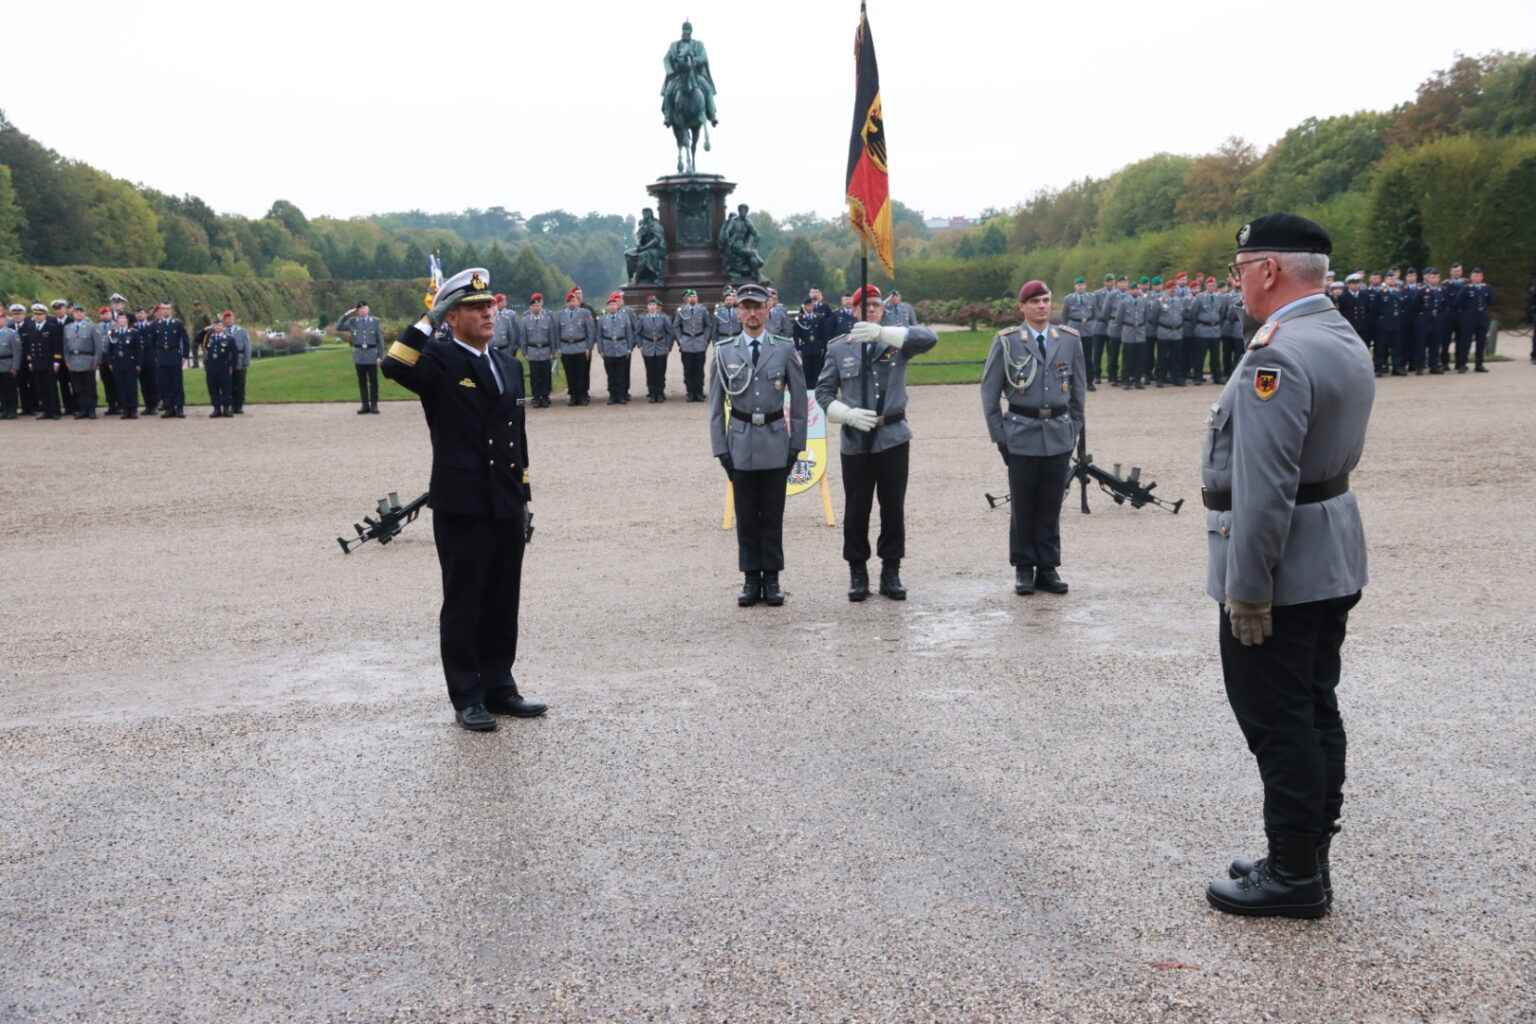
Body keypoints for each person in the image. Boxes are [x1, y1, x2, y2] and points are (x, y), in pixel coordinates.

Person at [1201, 213, 1374, 919]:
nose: (1237, 281)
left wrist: (1247, 590)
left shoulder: (1276, 352)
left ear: (1269, 270)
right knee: (1313, 708)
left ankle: (1295, 874)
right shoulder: (1335, 332)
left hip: (1282, 568)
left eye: (1240, 268)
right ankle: (1306, 854)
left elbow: (1264, 489)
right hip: (1327, 553)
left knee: (1280, 722)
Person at [380, 267, 545, 733]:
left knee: (502, 598)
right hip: (463, 501)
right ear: (453, 317)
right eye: (476, 308)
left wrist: (525, 496)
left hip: (505, 500)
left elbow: (517, 435)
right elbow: (394, 364)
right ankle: (467, 695)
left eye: (490, 306)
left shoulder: (507, 363)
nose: (488, 313)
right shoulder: (438, 360)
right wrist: (425, 320)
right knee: (464, 600)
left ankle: (500, 685)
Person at [816, 285, 937, 601]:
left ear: (883, 311)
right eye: (864, 306)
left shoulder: (895, 342)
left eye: (876, 306)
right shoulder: (840, 348)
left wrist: (884, 333)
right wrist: (847, 414)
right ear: (853, 311)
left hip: (893, 437)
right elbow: (823, 393)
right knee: (857, 509)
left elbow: (929, 339)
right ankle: (857, 571)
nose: (870, 310)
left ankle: (891, 569)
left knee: (893, 506)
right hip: (856, 438)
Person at [981, 280, 1086, 596]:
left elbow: (1079, 390)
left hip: (1057, 432)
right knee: (1024, 503)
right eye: (1036, 301)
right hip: (1021, 431)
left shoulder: (1068, 340)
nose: (1042, 306)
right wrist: (1000, 436)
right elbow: (990, 393)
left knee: (1051, 503)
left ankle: (1048, 567)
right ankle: (1024, 567)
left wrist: (1073, 428)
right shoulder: (1008, 341)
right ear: (1022, 307)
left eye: (1046, 300)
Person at [708, 281, 807, 608]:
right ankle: (751, 578)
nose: (752, 313)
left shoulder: (783, 349)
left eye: (757, 307)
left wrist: (798, 444)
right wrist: (721, 448)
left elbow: (801, 401)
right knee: (747, 514)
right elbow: (714, 407)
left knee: (773, 515)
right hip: (741, 441)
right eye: (746, 307)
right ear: (737, 311)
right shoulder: (724, 351)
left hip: (776, 441)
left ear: (768, 310)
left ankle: (773, 577)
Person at [337, 302, 385, 413]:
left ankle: (374, 405)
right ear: (357, 311)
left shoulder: (375, 322)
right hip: (359, 355)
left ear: (368, 310)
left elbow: (380, 341)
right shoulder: (353, 322)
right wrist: (346, 314)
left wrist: (380, 356)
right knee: (362, 382)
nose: (363, 310)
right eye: (360, 309)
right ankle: (364, 405)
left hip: (372, 354)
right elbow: (338, 327)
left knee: (373, 382)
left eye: (365, 308)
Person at [147, 302, 190, 418]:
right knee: (164, 383)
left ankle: (179, 407)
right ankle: (169, 407)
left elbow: (185, 341)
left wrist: (184, 355)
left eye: (167, 309)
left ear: (171, 310)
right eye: (163, 309)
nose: (165, 311)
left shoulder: (178, 323)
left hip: (174, 354)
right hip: (161, 354)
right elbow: (151, 342)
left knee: (176, 383)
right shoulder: (156, 324)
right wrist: (154, 355)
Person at [21, 304, 62, 420]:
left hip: (49, 362)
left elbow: (57, 346)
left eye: (40, 314)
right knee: (41, 388)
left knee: (51, 387)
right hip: (36, 361)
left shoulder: (51, 327)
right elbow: (28, 346)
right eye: (36, 314)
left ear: (45, 315)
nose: (38, 317)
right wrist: (30, 361)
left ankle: (55, 411)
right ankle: (46, 411)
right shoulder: (31, 328)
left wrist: (57, 361)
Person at [557, 287, 596, 406]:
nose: (572, 303)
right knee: (570, 373)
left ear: (577, 302)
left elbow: (590, 331)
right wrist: (559, 347)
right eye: (570, 301)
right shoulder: (561, 314)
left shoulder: (585, 313)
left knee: (581, 372)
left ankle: (582, 395)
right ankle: (573, 395)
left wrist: (589, 348)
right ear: (567, 303)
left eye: (574, 301)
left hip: (580, 346)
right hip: (566, 347)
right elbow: (557, 332)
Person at [63, 305, 104, 419]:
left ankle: (91, 409)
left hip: (88, 360)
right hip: (73, 360)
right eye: (76, 312)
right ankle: (82, 409)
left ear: (84, 314)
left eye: (81, 312)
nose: (79, 314)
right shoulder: (68, 328)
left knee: (89, 387)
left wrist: (96, 361)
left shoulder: (92, 327)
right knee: (78, 388)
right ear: (73, 314)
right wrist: (67, 360)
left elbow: (98, 346)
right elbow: (65, 346)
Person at [596, 295, 637, 404]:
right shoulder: (602, 319)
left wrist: (629, 349)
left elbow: (629, 334)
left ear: (617, 306)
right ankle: (612, 395)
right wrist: (600, 350)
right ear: (607, 307)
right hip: (608, 349)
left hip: (621, 348)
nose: (612, 306)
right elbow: (599, 336)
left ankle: (621, 395)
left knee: (621, 374)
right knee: (611, 374)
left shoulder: (624, 317)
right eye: (610, 305)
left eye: (614, 304)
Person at [519, 293, 557, 407]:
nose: (535, 308)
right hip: (532, 351)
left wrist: (552, 352)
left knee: (546, 375)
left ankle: (545, 397)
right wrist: (524, 352)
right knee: (535, 376)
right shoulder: (525, 320)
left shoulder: (547, 319)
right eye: (533, 306)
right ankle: (536, 397)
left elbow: (552, 336)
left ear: (540, 306)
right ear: (530, 307)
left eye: (537, 306)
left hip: (545, 350)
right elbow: (523, 338)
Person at [674, 289, 713, 402]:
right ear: (687, 299)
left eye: (694, 296)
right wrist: (680, 339)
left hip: (699, 341)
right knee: (688, 369)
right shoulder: (681, 310)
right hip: (686, 341)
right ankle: (690, 392)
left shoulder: (702, 309)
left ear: (697, 298)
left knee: (699, 369)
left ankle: (699, 392)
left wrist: (706, 339)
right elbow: (676, 326)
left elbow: (708, 325)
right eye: (690, 297)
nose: (692, 298)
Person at [1112, 279, 1150, 390]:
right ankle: (1126, 379)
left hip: (1140, 331)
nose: (1135, 291)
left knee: (1140, 357)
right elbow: (1119, 318)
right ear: (1129, 291)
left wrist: (1142, 327)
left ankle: (1137, 379)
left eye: (1136, 289)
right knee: (1128, 357)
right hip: (1128, 330)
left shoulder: (1143, 301)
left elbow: (1146, 316)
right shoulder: (1124, 302)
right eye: (1133, 289)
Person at [1409, 268, 1448, 375]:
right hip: (1424, 319)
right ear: (1428, 278)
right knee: (1421, 344)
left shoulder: (1442, 290)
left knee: (1435, 344)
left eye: (1437, 277)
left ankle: (1434, 366)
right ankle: (1419, 366)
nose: (1435, 279)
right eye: (1432, 277)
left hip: (1437, 319)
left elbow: (1445, 305)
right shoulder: (1422, 290)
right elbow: (1414, 306)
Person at [1454, 267, 1494, 373]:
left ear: (1482, 277)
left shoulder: (1486, 287)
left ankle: (1479, 364)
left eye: (1480, 276)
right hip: (1469, 317)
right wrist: (1468, 309)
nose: (1478, 278)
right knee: (1465, 341)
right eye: (1475, 276)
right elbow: (1458, 302)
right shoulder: (1466, 288)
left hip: (1482, 316)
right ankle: (1462, 364)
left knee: (1481, 341)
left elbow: (1490, 301)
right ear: (1471, 277)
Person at [637, 296, 676, 402]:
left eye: (654, 305)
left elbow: (670, 332)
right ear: (647, 307)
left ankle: (660, 393)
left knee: (660, 371)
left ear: (657, 306)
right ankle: (652, 393)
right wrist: (640, 345)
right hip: (648, 346)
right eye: (650, 305)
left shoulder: (663, 318)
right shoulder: (642, 318)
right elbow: (637, 332)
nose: (652, 307)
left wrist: (668, 345)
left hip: (660, 346)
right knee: (650, 372)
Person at [105, 314, 142, 418]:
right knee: (121, 387)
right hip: (118, 363)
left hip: (130, 363)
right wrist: (110, 362)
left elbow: (138, 349)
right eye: (119, 318)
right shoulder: (113, 333)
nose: (121, 320)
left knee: (131, 387)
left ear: (127, 320)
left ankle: (133, 408)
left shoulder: (134, 333)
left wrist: (139, 363)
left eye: (123, 318)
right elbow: (110, 350)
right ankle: (125, 409)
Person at [793, 294, 827, 392]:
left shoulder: (819, 317)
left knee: (816, 372)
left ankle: (815, 391)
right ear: (804, 306)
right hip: (805, 349)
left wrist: (823, 347)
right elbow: (796, 335)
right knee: (806, 372)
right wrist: (798, 349)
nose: (810, 307)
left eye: (812, 305)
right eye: (808, 305)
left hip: (817, 348)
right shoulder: (800, 318)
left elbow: (823, 334)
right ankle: (807, 391)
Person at [203, 320, 237, 417]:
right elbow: (198, 339)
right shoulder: (208, 337)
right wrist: (205, 330)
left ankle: (226, 409)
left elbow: (234, 354)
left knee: (226, 388)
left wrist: (231, 365)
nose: (217, 327)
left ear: (223, 327)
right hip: (211, 366)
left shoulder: (229, 339)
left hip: (224, 365)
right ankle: (216, 409)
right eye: (215, 325)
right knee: (213, 388)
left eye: (219, 325)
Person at [94, 306, 120, 415]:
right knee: (107, 382)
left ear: (110, 314)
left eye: (107, 313)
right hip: (103, 357)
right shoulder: (97, 327)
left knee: (117, 382)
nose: (105, 316)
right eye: (103, 314)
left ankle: (120, 404)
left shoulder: (117, 325)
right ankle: (111, 405)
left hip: (114, 357)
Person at [0, 311, 20, 419]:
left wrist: (15, 366)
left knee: (10, 389)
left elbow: (17, 351)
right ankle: (5, 409)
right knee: (2, 390)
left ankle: (12, 410)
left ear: (4, 320)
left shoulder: (12, 333)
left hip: (8, 363)